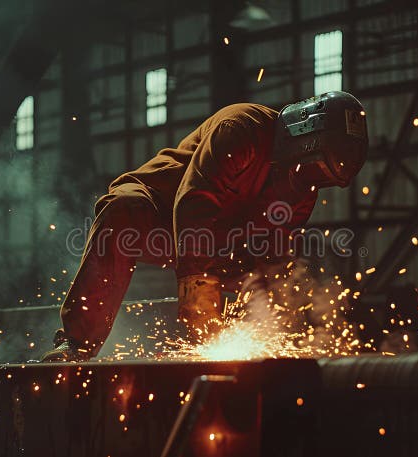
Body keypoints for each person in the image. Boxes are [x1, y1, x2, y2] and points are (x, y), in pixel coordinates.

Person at [42, 91, 368, 361]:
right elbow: (194, 203)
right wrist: (197, 285)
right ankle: (77, 343)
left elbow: (274, 255)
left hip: (218, 239)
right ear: (302, 135)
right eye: (313, 171)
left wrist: (276, 320)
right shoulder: (241, 129)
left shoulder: (300, 190)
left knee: (264, 274)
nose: (310, 185)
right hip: (162, 217)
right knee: (120, 213)